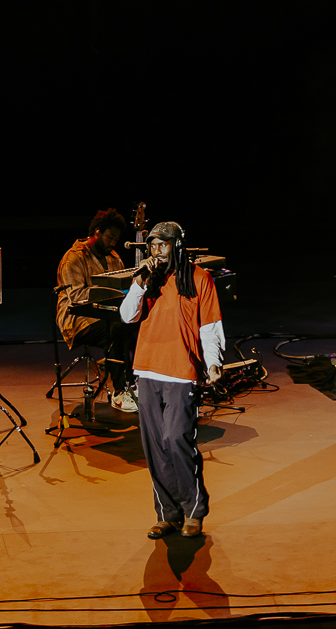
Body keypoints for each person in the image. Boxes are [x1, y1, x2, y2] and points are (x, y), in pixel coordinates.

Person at [118, 220, 225, 540]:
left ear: (177, 246)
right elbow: (126, 315)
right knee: (155, 447)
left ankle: (194, 510)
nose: (156, 251)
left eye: (162, 245)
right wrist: (139, 282)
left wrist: (214, 362)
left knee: (177, 438)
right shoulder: (149, 279)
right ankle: (167, 514)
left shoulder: (199, 278)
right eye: (152, 246)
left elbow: (210, 325)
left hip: (181, 370)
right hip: (148, 368)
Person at [56, 209, 140, 413]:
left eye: (116, 239)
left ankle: (134, 381)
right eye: (110, 237)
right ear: (96, 232)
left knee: (140, 326)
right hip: (78, 320)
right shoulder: (73, 258)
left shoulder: (113, 257)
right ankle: (120, 393)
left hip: (108, 315)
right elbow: (76, 297)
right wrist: (109, 293)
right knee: (116, 330)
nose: (113, 243)